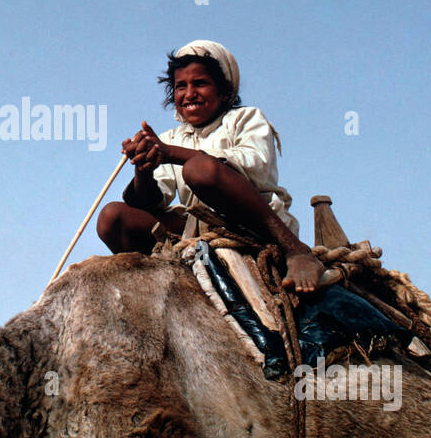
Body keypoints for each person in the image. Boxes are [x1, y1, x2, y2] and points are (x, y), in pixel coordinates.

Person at [96, 40, 325, 294]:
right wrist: (144, 164)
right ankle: (161, 287)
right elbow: (150, 201)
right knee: (111, 217)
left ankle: (295, 250)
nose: (189, 93)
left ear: (225, 92)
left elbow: (255, 165)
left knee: (198, 170)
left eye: (200, 83)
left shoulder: (245, 119)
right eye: (180, 86)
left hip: (252, 224)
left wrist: (170, 153)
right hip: (196, 231)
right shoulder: (171, 137)